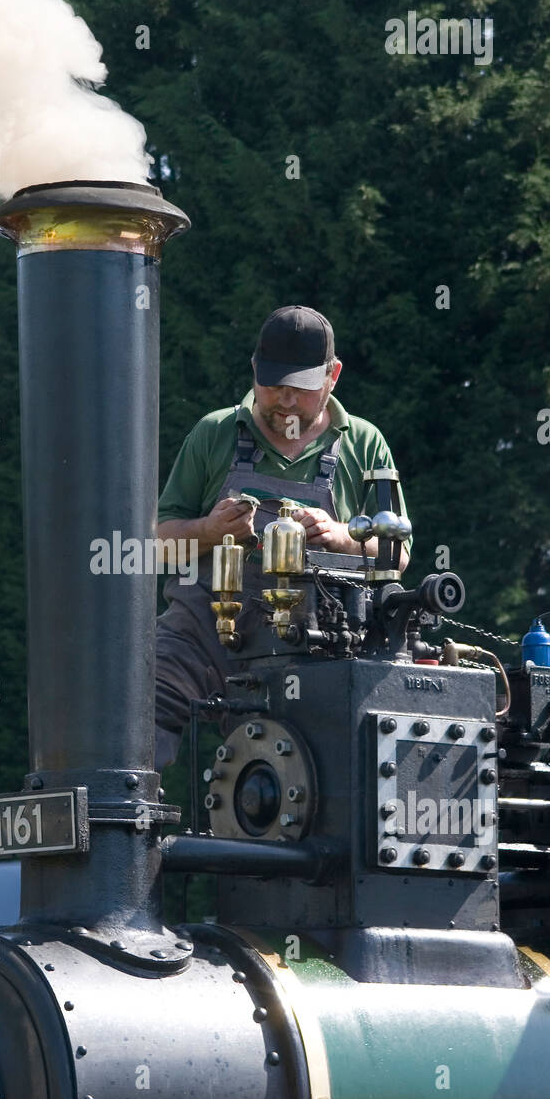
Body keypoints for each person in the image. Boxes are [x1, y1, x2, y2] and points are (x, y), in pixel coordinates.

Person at [154, 304, 410, 771]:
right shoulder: (214, 433)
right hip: (203, 635)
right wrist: (209, 530)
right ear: (254, 370)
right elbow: (158, 545)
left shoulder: (365, 443)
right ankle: (123, 832)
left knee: (313, 772)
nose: (285, 401)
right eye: (273, 386)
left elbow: (398, 555)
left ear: (333, 376)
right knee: (137, 702)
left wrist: (340, 537)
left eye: (301, 389)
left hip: (314, 650)